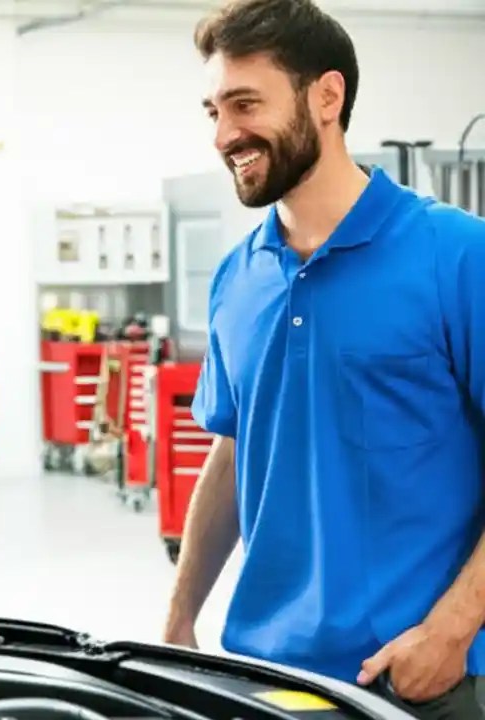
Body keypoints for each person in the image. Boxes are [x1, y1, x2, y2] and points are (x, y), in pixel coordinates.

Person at [161, 0, 485, 717]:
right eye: (212, 110)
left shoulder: (458, 255)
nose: (224, 135)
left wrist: (452, 628)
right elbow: (233, 450)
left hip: (420, 678)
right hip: (266, 676)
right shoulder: (236, 277)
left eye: (245, 104)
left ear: (327, 96)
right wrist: (180, 618)